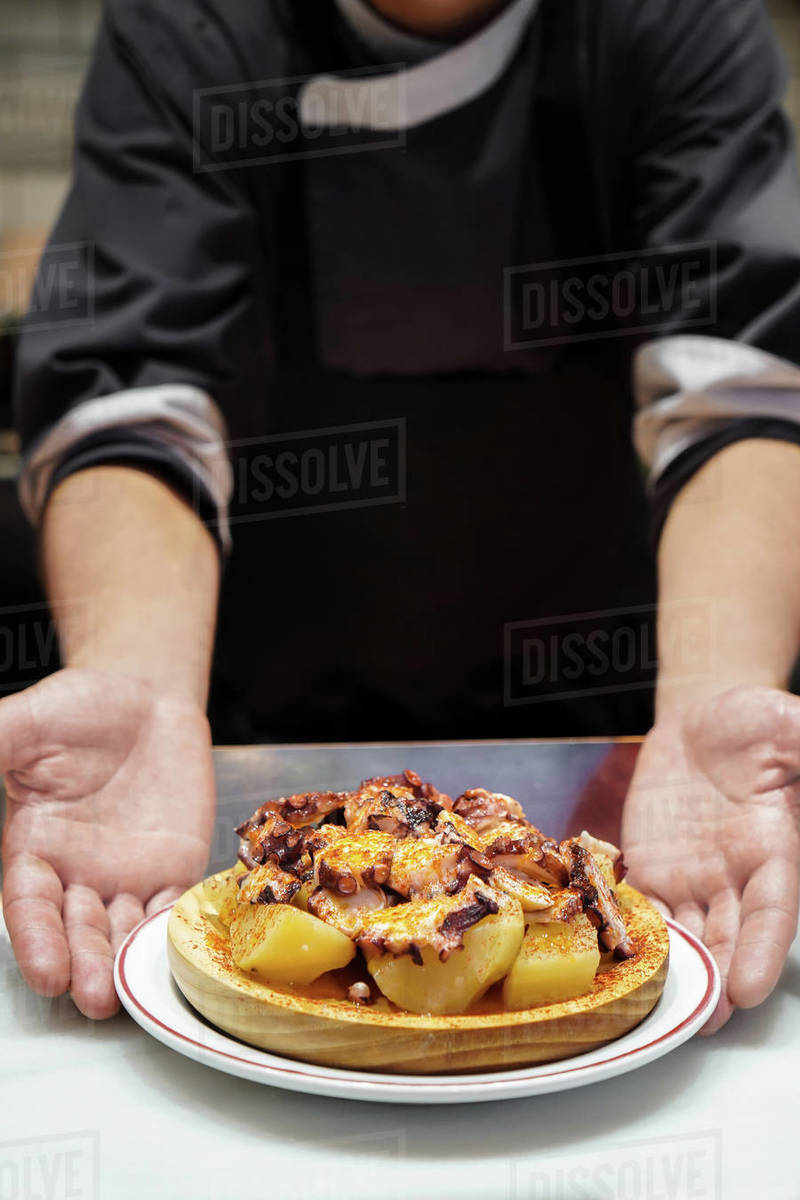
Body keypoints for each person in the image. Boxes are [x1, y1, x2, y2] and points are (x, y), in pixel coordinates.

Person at [2, 0, 799, 1028]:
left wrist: (714, 695)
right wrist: (135, 684)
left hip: (589, 715)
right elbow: (132, 392)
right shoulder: (192, 24)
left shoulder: (669, 21)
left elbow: (740, 384)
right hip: (244, 730)